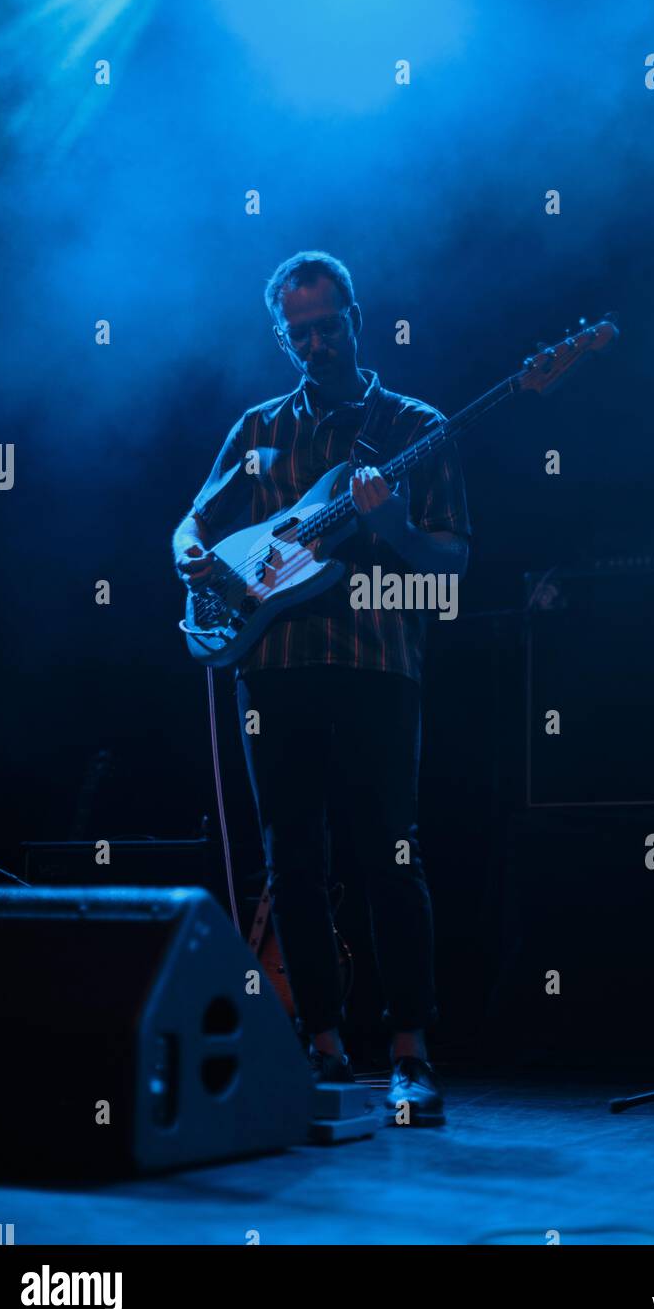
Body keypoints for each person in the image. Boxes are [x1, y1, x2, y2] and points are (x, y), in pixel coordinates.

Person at [173, 252, 470, 1123]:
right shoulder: (259, 428)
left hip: (377, 666)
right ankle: (325, 1048)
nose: (315, 344)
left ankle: (411, 1051)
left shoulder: (416, 426)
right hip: (270, 669)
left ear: (355, 318)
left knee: (391, 854)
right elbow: (194, 519)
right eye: (298, 333)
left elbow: (452, 563)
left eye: (327, 326)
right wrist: (188, 553)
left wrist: (397, 530)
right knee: (291, 863)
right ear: (282, 335)